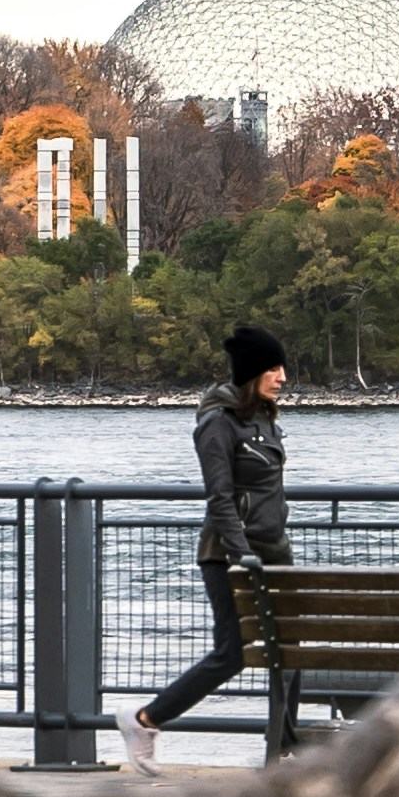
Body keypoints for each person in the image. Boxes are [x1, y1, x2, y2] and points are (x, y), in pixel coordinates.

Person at [123, 327, 288, 772]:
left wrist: (271, 546)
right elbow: (219, 497)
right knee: (231, 653)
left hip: (275, 552)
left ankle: (285, 750)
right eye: (273, 368)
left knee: (289, 651)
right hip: (229, 556)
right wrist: (241, 553)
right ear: (252, 372)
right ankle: (145, 719)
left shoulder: (264, 417)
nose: (283, 377)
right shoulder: (218, 423)